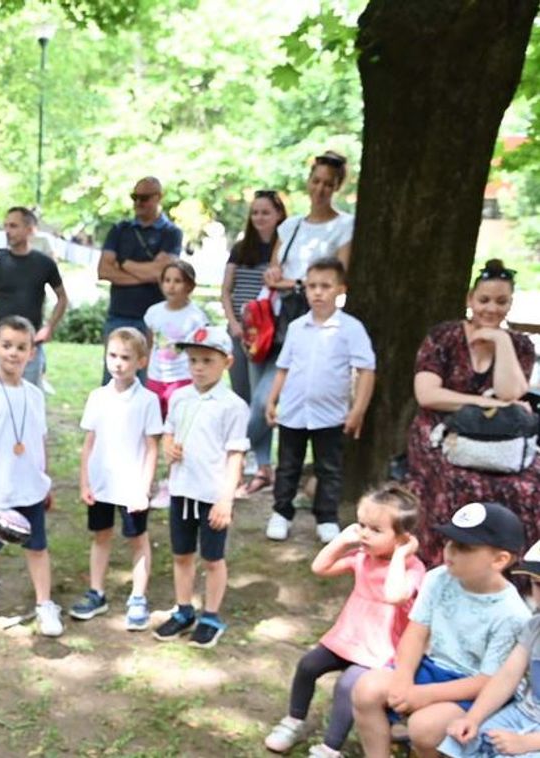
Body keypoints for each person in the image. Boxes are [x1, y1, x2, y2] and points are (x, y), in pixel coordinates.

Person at [352, 502, 532, 758]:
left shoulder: (512, 614)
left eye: (464, 547)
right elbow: (416, 633)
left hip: (474, 689)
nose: (450, 552)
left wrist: (423, 695)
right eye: (450, 541)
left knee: (424, 728)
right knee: (366, 689)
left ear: (500, 559)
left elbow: (487, 681)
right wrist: (403, 677)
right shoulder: (438, 578)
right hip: (432, 667)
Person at [263, 484, 426, 758]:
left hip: (382, 649)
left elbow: (394, 595)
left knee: (348, 686)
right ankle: (293, 721)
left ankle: (330, 748)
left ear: (402, 539)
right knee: (308, 665)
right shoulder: (363, 557)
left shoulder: (412, 568)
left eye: (375, 529)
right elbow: (320, 567)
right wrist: (343, 539)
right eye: (361, 525)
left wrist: (399, 555)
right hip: (349, 637)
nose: (364, 533)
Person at [406, 259, 540, 569]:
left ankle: (512, 573)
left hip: (499, 441)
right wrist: (480, 403)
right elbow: (427, 394)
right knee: (462, 481)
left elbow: (510, 394)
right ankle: (447, 566)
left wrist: (500, 341)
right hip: (442, 433)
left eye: (501, 301)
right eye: (484, 300)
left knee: (528, 486)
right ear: (470, 299)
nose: (491, 308)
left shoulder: (518, 344)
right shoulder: (443, 337)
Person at [265, 258, 376, 545]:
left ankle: (326, 518)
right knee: (288, 465)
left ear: (340, 289)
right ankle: (281, 513)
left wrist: (358, 411)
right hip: (293, 411)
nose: (317, 292)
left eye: (325, 286)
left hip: (330, 414)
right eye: (312, 286)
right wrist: (272, 400)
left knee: (329, 468)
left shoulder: (350, 328)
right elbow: (284, 367)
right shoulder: (297, 327)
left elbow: (366, 370)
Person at [0, 316, 61, 638]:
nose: (13, 353)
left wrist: (44, 481)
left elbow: (38, 441)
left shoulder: (35, 395)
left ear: (32, 353)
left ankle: (45, 604)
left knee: (37, 549)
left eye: (21, 347)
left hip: (29, 489)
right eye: (7, 346)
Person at [152, 325, 249, 648]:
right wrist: (168, 446)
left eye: (207, 360)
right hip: (182, 491)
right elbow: (169, 431)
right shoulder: (179, 397)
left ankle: (211, 615)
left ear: (227, 363)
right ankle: (183, 610)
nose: (198, 367)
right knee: (181, 554)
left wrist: (226, 500)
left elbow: (236, 454)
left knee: (212, 558)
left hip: (211, 495)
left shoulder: (233, 405)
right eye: (193, 360)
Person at [68, 327, 162, 630]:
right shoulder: (98, 397)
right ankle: (97, 592)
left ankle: (138, 598)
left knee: (138, 539)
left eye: (126, 357)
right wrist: (84, 482)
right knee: (101, 536)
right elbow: (89, 443)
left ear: (141, 361)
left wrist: (143, 490)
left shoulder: (147, 400)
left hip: (131, 486)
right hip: (101, 485)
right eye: (112, 355)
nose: (118, 363)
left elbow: (151, 448)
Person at [441, 540, 540, 757]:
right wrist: (472, 718)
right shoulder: (535, 627)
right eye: (537, 584)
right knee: (463, 741)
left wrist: (528, 743)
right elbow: (507, 676)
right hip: (525, 714)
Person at [225, 191, 287, 498]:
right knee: (246, 401)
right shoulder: (241, 248)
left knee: (264, 403)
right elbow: (227, 291)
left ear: (278, 214)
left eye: (265, 212)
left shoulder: (286, 250)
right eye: (255, 213)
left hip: (273, 336)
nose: (260, 218)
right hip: (242, 336)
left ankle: (223, 454)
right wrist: (234, 324)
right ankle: (263, 468)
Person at [97, 176, 184, 385]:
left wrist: (124, 264)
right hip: (119, 315)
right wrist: (147, 273)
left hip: (153, 319)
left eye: (144, 198)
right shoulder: (119, 230)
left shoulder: (171, 233)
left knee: (149, 380)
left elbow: (160, 273)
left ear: (158, 197)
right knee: (114, 379)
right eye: (134, 197)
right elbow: (104, 270)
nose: (138, 203)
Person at [0, 207, 69, 386]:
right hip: (1, 345)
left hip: (31, 346)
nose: (8, 231)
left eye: (13, 226)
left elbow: (62, 298)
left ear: (30, 229)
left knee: (29, 400)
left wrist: (49, 327)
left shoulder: (45, 264)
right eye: (5, 226)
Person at [264, 152, 355, 296]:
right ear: (308, 181)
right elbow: (273, 272)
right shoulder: (290, 226)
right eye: (316, 181)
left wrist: (291, 284)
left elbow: (340, 279)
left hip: (317, 308)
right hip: (281, 310)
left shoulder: (345, 225)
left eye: (328, 184)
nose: (320, 189)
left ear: (337, 187)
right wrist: (272, 274)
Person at [143, 260, 210, 420]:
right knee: (153, 424)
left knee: (177, 425)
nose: (171, 286)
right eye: (167, 280)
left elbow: (201, 349)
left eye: (177, 281)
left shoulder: (196, 317)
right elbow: (150, 343)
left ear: (190, 286)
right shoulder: (154, 312)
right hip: (156, 378)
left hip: (182, 379)